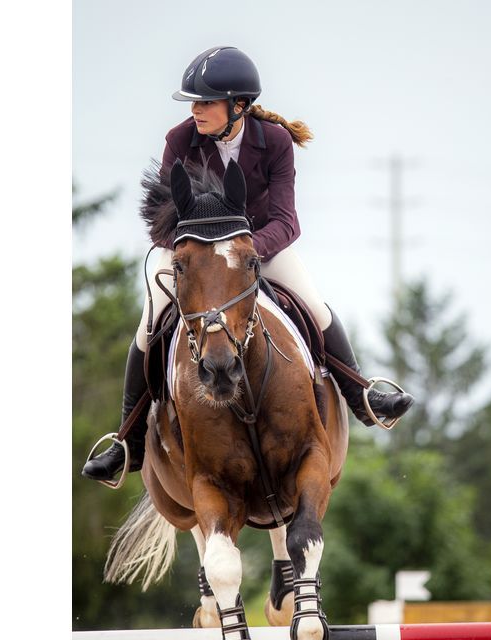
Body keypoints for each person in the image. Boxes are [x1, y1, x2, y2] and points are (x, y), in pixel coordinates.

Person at [82, 46, 414, 481]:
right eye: (194, 103)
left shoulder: (273, 143)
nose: (196, 111)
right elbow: (160, 218)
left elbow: (286, 220)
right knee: (150, 323)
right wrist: (203, 255)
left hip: (260, 248)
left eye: (205, 102)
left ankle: (363, 396)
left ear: (238, 105)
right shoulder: (179, 141)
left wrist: (242, 255)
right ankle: (129, 442)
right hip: (193, 254)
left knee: (314, 306)